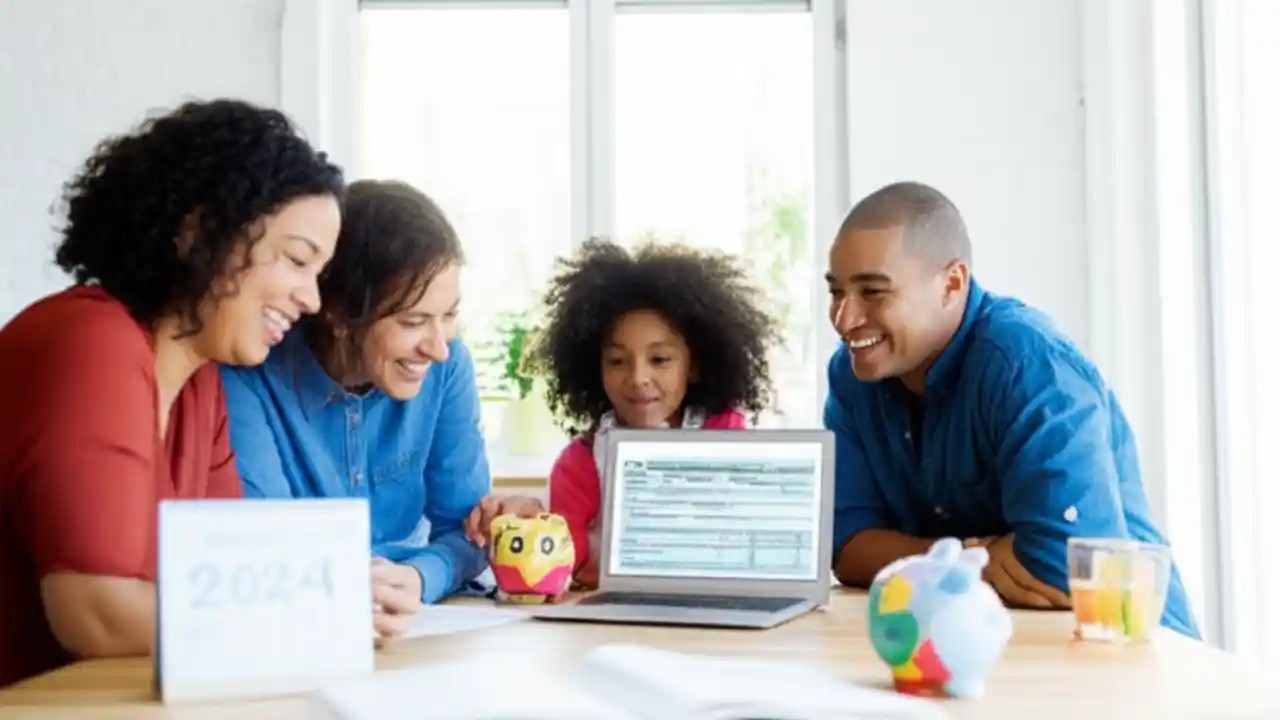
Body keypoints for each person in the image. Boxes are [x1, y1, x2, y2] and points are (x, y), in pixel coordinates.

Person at [0, 99, 344, 686]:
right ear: (199, 231)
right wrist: (315, 622)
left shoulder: (200, 387)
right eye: (296, 260)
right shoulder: (89, 340)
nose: (311, 300)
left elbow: (227, 583)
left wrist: (328, 604)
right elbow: (95, 616)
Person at [823, 181, 1198, 638]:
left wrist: (917, 561)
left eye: (873, 293)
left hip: (1129, 650)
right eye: (836, 292)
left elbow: (1067, 567)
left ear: (952, 283)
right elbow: (846, 549)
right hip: (972, 646)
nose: (844, 319)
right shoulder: (852, 376)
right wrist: (974, 559)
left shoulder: (1027, 364)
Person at [221, 179, 539, 646]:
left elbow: (466, 532)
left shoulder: (449, 370)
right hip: (297, 634)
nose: (437, 348)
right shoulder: (252, 375)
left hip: (417, 628)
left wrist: (420, 576)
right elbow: (266, 550)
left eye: (448, 315)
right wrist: (343, 591)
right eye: (412, 322)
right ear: (339, 315)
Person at [531, 238, 779, 588]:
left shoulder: (724, 433)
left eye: (660, 359)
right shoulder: (580, 465)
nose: (637, 378)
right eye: (617, 361)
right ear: (594, 367)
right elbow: (566, 566)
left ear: (694, 365)